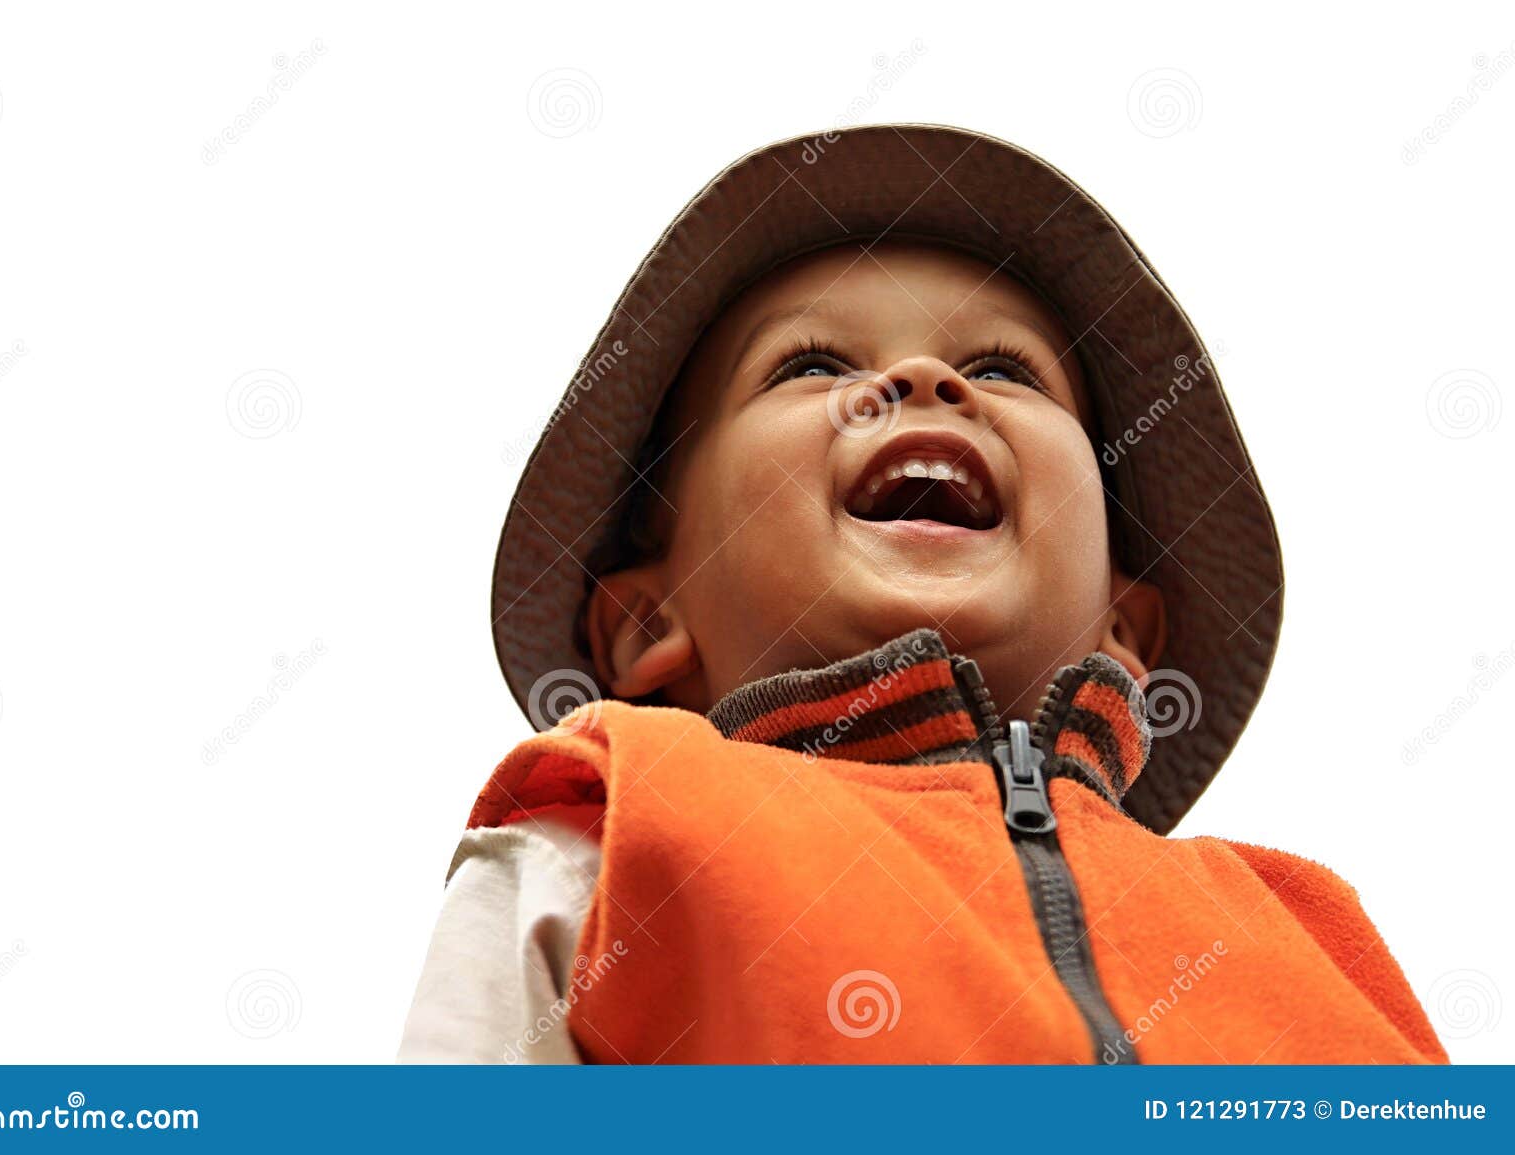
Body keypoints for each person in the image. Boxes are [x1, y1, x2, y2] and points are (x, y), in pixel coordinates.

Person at [398, 124, 1447, 1065]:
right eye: (808, 364)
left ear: (1127, 631)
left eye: (1005, 370)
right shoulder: (617, 835)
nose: (924, 382)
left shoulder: (1305, 933)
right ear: (646, 625)